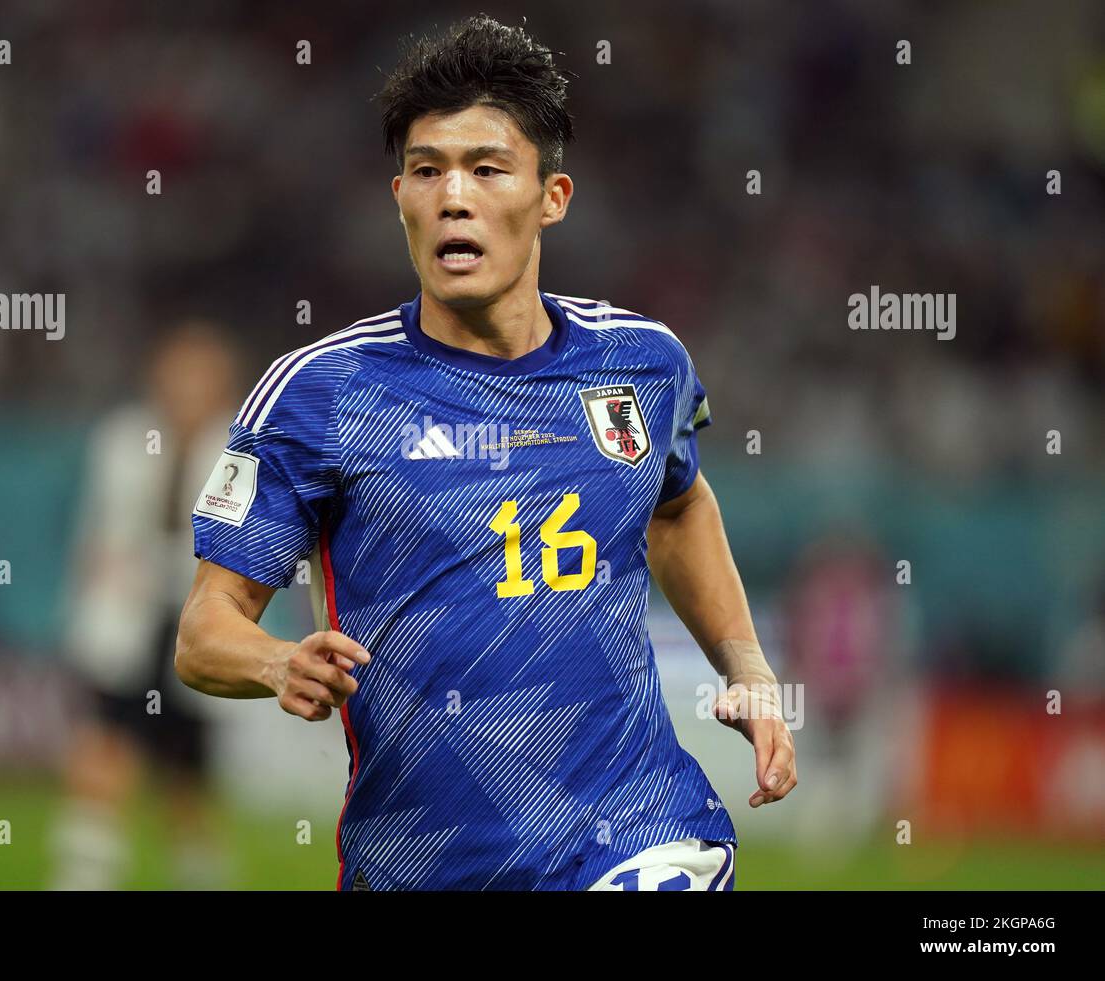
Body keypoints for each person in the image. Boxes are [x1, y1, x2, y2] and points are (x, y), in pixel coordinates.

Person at [176, 14, 795, 891]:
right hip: (422, 861)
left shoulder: (643, 365)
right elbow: (203, 633)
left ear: (553, 196)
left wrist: (750, 670)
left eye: (487, 168)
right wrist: (277, 659)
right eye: (427, 171)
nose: (453, 196)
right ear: (399, 197)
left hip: (637, 832)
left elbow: (679, 504)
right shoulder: (316, 394)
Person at [51, 320, 241, 889]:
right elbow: (98, 536)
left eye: (199, 375)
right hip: (126, 617)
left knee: (187, 780)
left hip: (196, 617)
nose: (185, 387)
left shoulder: (236, 443)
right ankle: (83, 876)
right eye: (178, 373)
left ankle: (201, 876)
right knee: (103, 748)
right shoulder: (122, 439)